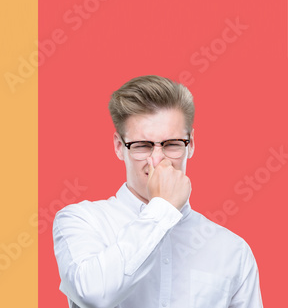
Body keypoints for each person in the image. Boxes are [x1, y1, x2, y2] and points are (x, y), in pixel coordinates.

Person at [53, 75, 262, 308]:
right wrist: (163, 208)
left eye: (172, 144)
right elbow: (92, 295)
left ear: (190, 144)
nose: (157, 159)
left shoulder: (233, 250)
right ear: (119, 147)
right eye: (142, 146)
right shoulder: (81, 221)